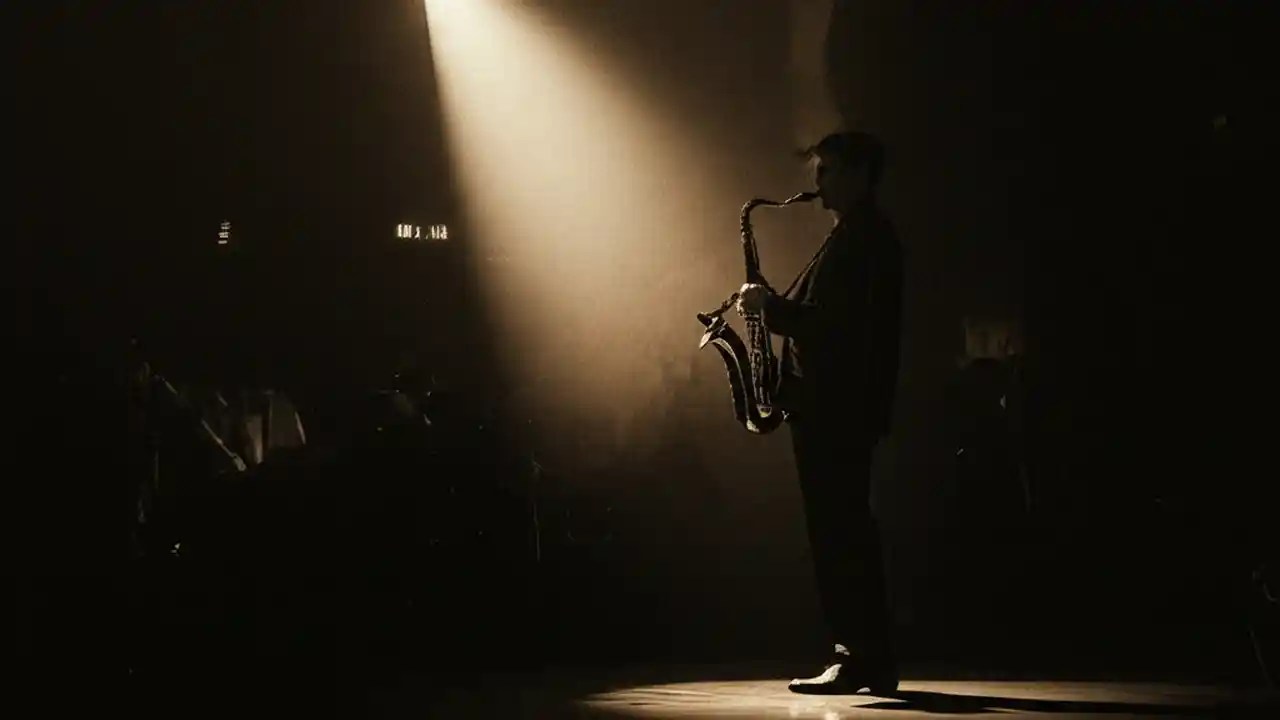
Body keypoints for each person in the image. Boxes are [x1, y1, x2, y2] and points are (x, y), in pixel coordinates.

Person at [737, 130, 904, 694]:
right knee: (842, 532)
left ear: (858, 175)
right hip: (832, 410)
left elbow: (835, 328)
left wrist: (769, 308)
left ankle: (858, 655)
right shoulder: (854, 237)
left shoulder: (866, 241)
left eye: (828, 171)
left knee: (840, 535)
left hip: (836, 412)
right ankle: (864, 657)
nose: (817, 183)